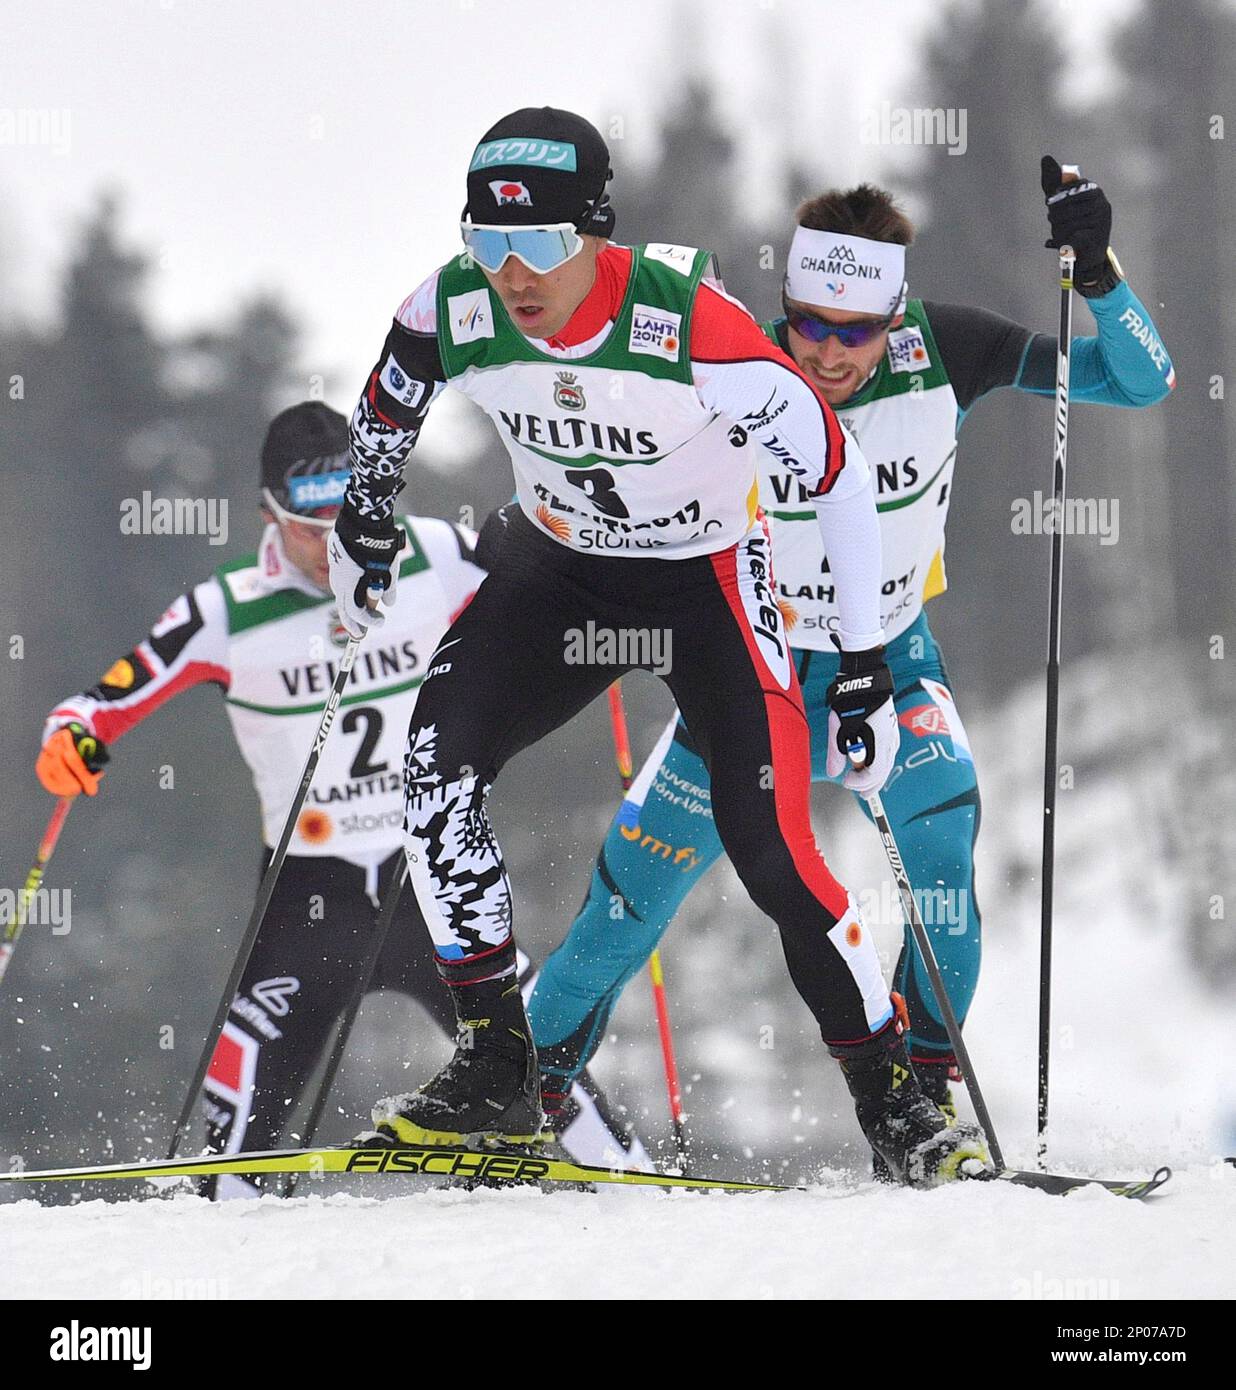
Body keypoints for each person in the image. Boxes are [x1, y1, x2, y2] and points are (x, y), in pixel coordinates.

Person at [327, 105, 988, 1187]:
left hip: (706, 580)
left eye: (539, 244)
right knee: (432, 776)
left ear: (597, 234)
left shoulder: (693, 330)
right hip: (557, 573)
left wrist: (863, 662)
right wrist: (363, 519)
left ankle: (897, 1105)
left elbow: (837, 477)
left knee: (769, 845)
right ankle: (497, 1062)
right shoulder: (450, 306)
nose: (513, 275)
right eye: (487, 245)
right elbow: (389, 400)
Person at [527, 162, 1175, 1174]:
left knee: (945, 875)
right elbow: (593, 422)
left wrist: (1097, 272)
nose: (824, 352)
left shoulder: (946, 349)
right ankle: (521, 1095)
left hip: (893, 668)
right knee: (620, 912)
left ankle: (919, 1109)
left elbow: (1141, 381)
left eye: (852, 331)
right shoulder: (734, 360)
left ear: (893, 317)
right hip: (750, 679)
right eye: (807, 324)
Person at [34, 401, 647, 1198]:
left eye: (349, 520)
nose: (332, 550)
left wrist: (610, 613)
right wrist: (72, 740)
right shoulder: (225, 609)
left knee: (537, 1044)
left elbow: (559, 585)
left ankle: (639, 1186)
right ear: (268, 516)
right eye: (306, 528)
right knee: (241, 1115)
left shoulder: (434, 554)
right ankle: (222, 1226)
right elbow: (98, 704)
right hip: (306, 896)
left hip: (424, 875)